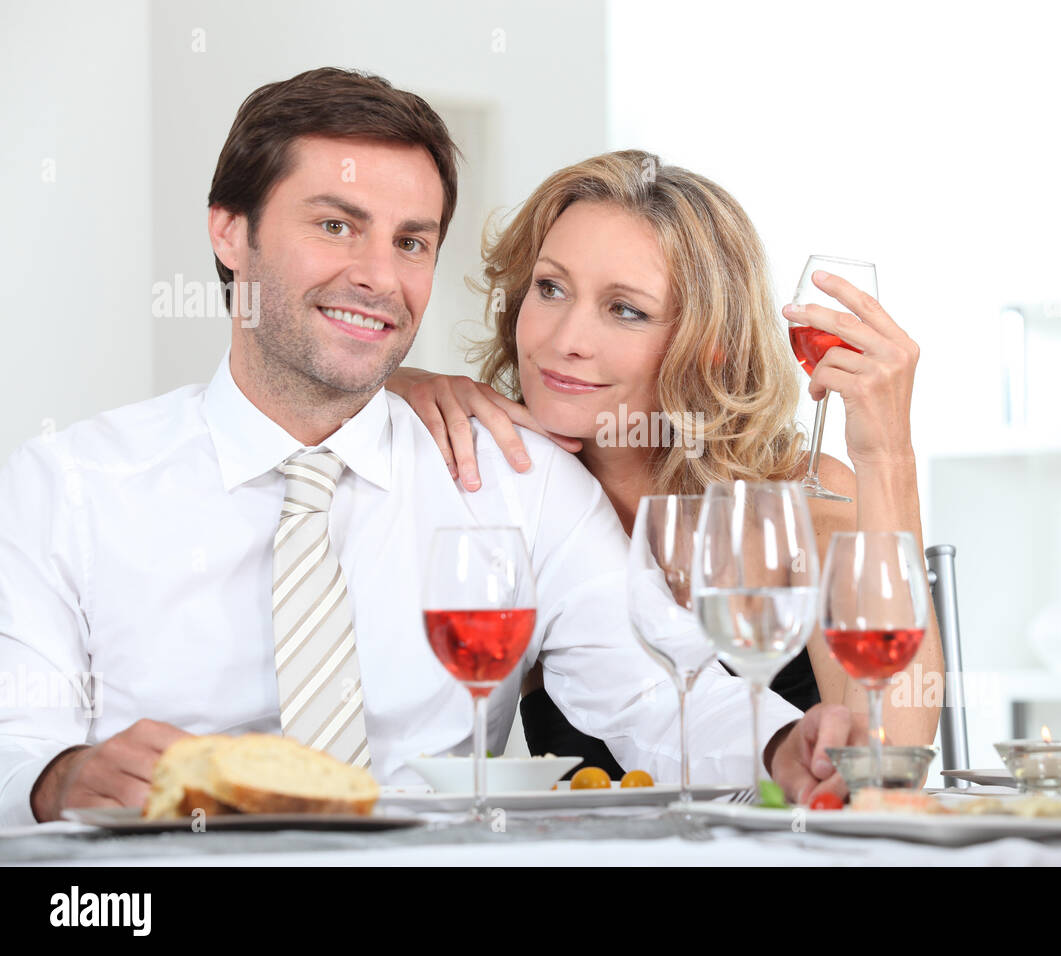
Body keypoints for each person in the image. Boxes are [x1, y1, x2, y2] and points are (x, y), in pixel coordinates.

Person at [0, 67, 865, 828]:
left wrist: (785, 746)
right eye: (336, 226)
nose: (379, 275)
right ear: (231, 232)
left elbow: (657, 694)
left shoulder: (522, 484)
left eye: (411, 241)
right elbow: (14, 742)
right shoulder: (63, 486)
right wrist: (57, 778)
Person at [385, 151, 944, 769]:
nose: (565, 340)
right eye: (550, 288)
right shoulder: (498, 486)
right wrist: (385, 381)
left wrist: (886, 451)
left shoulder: (802, 506)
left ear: (709, 345)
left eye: (626, 310)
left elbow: (891, 755)